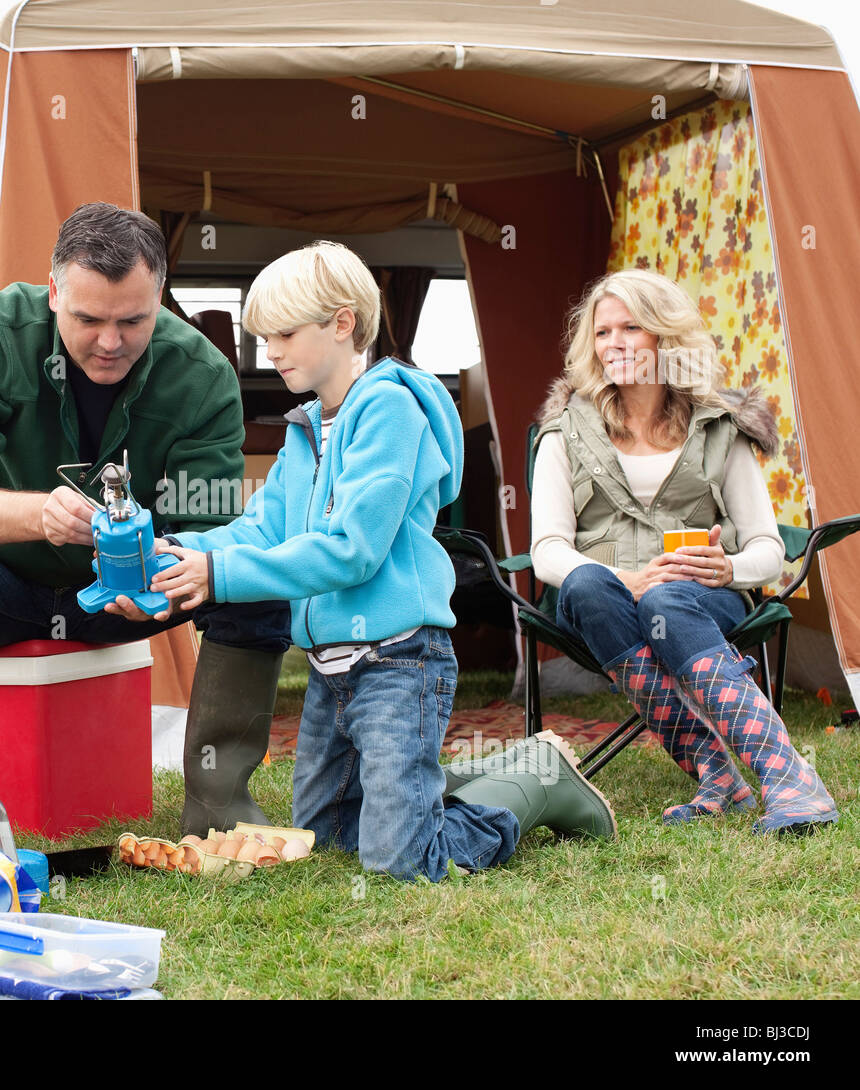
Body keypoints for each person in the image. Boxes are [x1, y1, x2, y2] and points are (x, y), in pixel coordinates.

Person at [149, 242, 616, 882]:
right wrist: (183, 550)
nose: (271, 352)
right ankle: (470, 774)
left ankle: (536, 790)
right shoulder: (308, 427)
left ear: (342, 324)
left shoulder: (389, 410)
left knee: (401, 863)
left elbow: (353, 550)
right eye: (265, 337)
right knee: (329, 837)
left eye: (284, 334)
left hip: (399, 661)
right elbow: (263, 525)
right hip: (329, 671)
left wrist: (219, 578)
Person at [0, 202, 289, 838]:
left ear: (160, 297)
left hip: (132, 597)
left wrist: (156, 573)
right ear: (52, 293)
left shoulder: (202, 375)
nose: (110, 341)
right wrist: (35, 513)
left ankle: (218, 807)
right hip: (5, 588)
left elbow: (215, 526)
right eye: (88, 318)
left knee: (254, 571)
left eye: (134, 320)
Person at [530, 268, 837, 833]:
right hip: (605, 605)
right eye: (602, 333)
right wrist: (628, 580)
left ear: (665, 338)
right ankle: (716, 770)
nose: (614, 343)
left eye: (632, 328)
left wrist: (728, 568)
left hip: (703, 602)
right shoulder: (566, 429)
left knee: (668, 601)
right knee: (586, 584)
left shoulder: (721, 426)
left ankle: (790, 781)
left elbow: (769, 550)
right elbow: (548, 549)